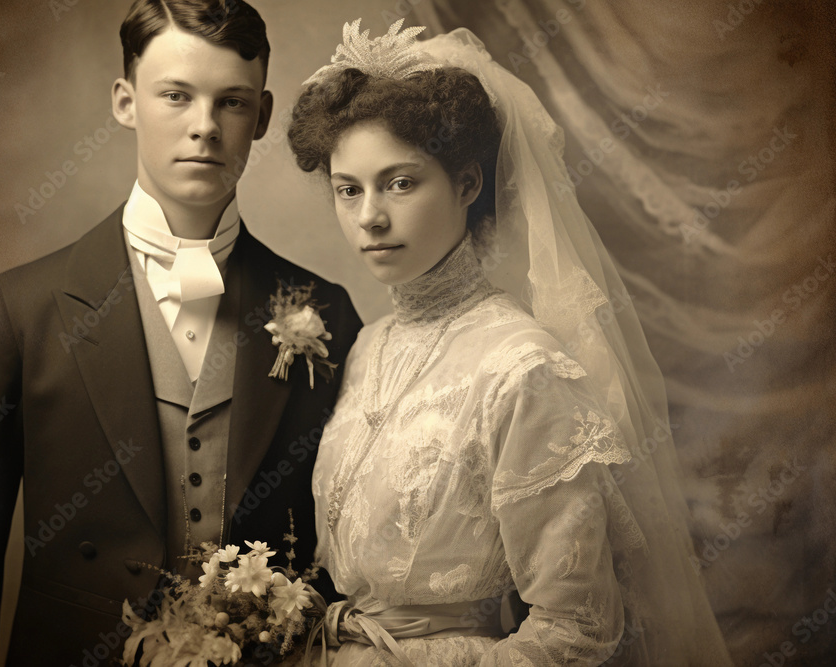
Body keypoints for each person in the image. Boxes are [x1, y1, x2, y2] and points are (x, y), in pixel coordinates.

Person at [0, 1, 361, 665]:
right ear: (125, 101)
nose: (204, 126)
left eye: (231, 102)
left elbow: (355, 547)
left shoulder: (329, 312)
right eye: (176, 95)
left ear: (260, 117)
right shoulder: (20, 307)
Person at [287, 20, 734, 666]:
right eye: (348, 189)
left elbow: (578, 629)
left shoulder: (522, 368)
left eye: (401, 182)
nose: (370, 218)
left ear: (468, 184)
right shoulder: (369, 345)